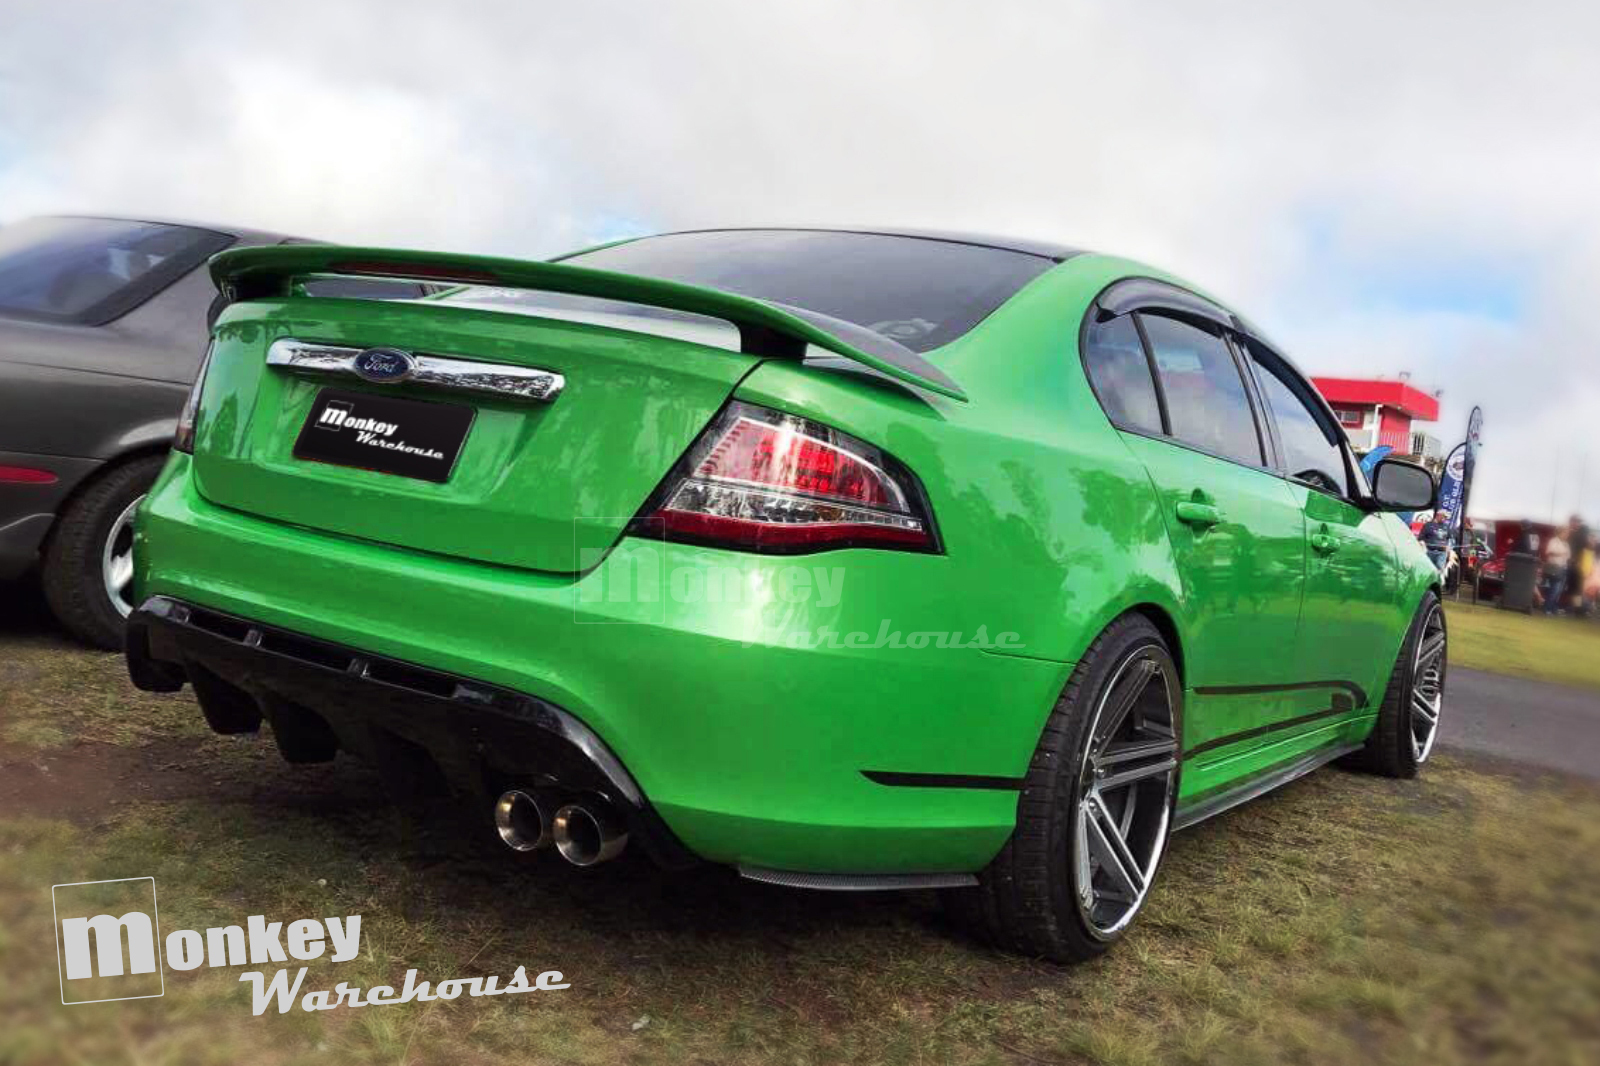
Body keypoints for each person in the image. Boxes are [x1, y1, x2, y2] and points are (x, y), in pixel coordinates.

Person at [1540, 527, 1571, 615]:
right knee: (1555, 589)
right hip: (1554, 568)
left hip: (1563, 567)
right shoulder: (1553, 541)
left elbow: (1568, 556)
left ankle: (1552, 607)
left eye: (1567, 533)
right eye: (1565, 533)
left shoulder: (1566, 544)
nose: (1567, 535)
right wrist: (1560, 553)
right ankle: (1547, 608)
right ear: (1560, 532)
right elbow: (1548, 552)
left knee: (1559, 590)